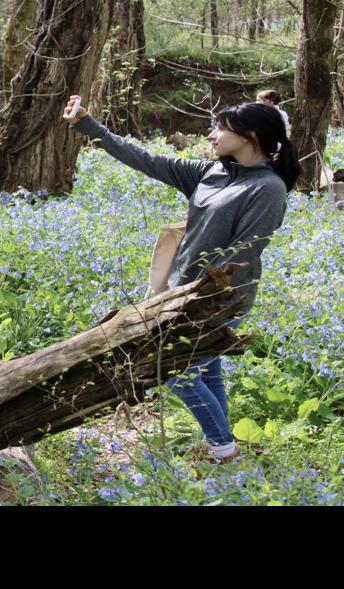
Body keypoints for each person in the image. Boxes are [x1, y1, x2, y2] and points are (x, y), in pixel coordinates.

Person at [63, 95, 297, 464]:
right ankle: (222, 445)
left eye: (221, 127)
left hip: (220, 298)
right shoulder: (211, 172)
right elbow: (146, 159)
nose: (212, 133)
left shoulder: (267, 189)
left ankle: (224, 449)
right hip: (181, 293)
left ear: (250, 135)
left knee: (172, 370)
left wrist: (194, 295)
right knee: (208, 370)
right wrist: (88, 125)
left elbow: (244, 252)